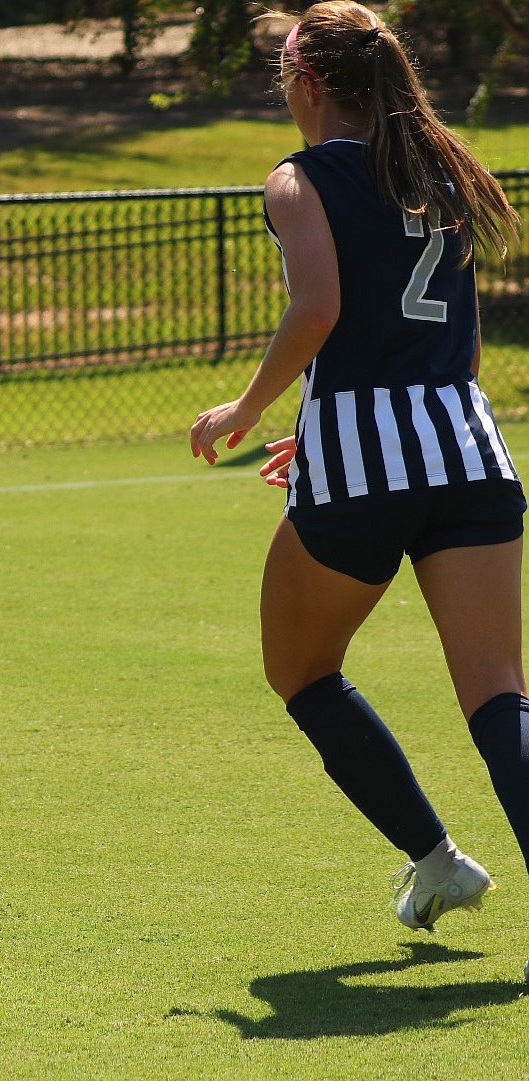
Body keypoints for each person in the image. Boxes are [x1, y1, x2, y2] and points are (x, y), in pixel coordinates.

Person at [189, 2, 526, 974]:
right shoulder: (438, 166)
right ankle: (443, 865)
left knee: (297, 669)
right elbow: (432, 338)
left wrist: (247, 408)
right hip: (467, 449)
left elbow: (320, 306)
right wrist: (323, 424)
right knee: (498, 694)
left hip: (363, 466)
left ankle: (435, 860)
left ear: (303, 83)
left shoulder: (299, 178)